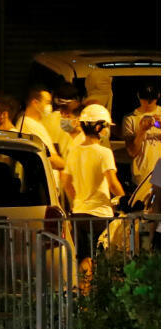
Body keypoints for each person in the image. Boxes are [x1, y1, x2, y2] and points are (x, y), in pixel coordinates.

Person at [62, 105, 125, 255]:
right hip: (100, 215)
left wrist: (79, 199)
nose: (108, 130)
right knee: (102, 257)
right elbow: (112, 183)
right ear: (98, 127)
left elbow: (66, 182)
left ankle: (84, 280)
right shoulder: (104, 152)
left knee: (84, 258)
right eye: (106, 126)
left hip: (78, 213)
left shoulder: (73, 151)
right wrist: (125, 199)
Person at [19, 86, 65, 172]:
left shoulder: (37, 123)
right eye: (47, 102)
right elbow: (50, 158)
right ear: (35, 103)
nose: (49, 106)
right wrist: (68, 167)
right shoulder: (29, 125)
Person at [123, 85, 161, 186]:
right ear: (139, 97)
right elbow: (132, 152)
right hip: (142, 175)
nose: (148, 102)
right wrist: (142, 130)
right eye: (145, 99)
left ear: (158, 97)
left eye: (151, 100)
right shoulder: (130, 119)